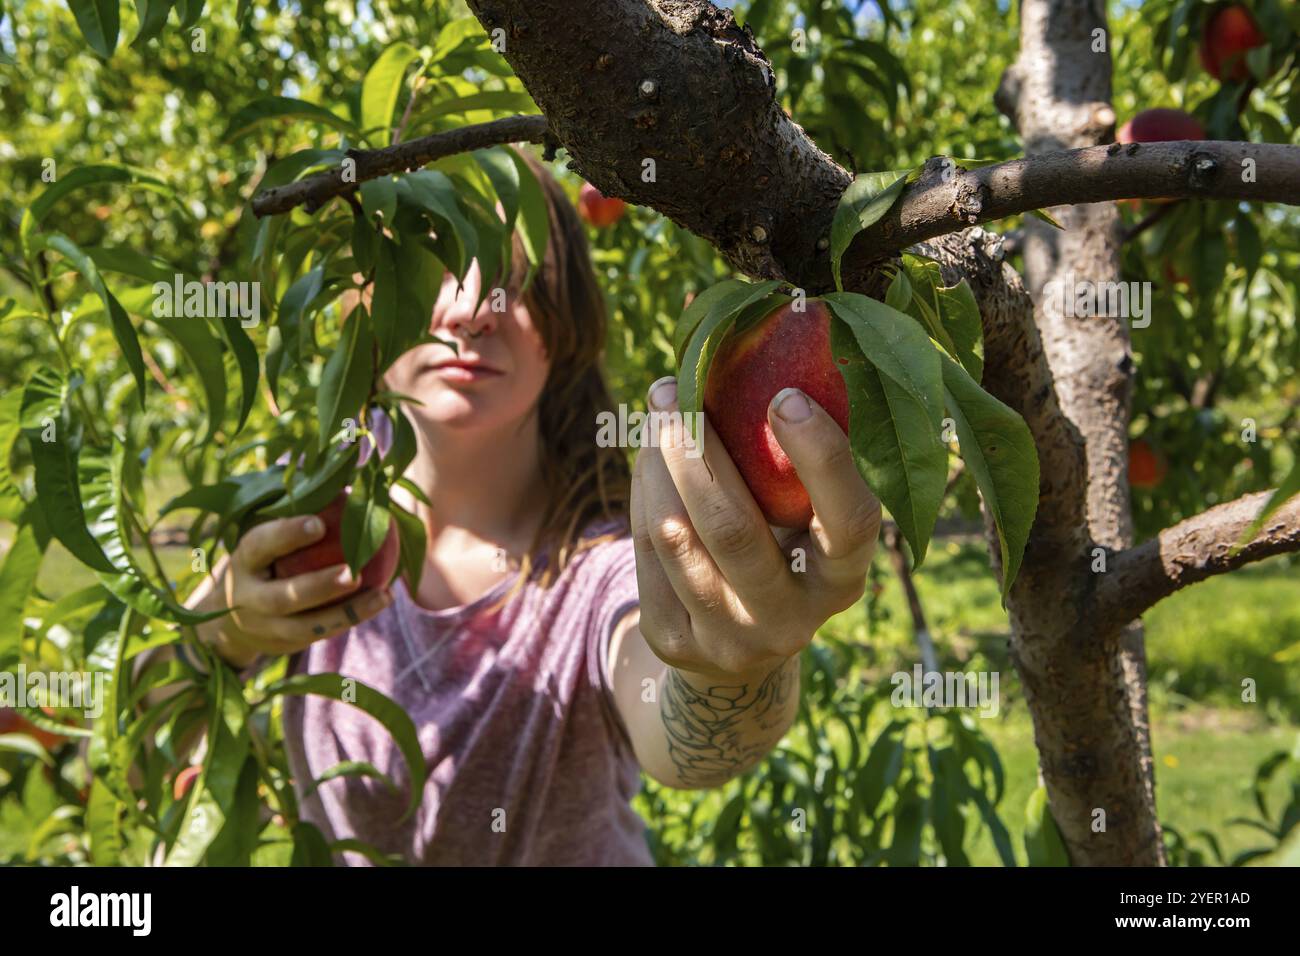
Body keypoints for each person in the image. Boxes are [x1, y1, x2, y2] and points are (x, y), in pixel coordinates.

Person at [177, 149, 880, 865]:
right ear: (373, 303)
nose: (468, 312)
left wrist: (735, 664)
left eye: (512, 279)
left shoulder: (601, 560)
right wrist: (226, 636)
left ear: (565, 318)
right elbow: (140, 732)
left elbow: (681, 736)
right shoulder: (314, 497)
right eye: (434, 265)